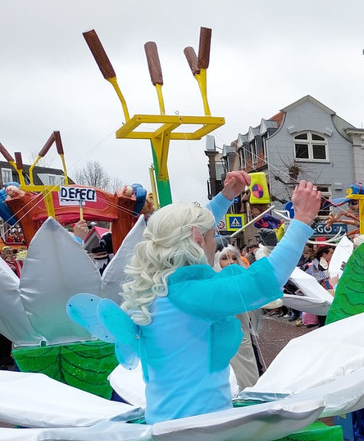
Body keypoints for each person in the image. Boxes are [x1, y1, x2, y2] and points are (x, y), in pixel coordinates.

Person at [115, 172, 319, 424]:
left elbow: (193, 229)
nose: (215, 246)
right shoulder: (189, 294)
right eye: (212, 237)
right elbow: (265, 277)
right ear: (197, 239)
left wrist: (226, 197)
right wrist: (302, 220)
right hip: (199, 427)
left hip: (165, 420)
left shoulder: (159, 287)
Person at [214, 245, 264, 388]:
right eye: (224, 258)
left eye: (234, 258)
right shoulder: (211, 283)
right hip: (220, 339)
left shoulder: (245, 281)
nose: (230, 262)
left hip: (242, 338)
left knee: (248, 374)